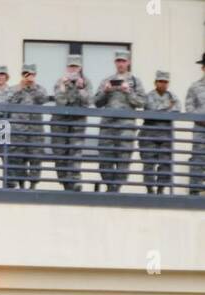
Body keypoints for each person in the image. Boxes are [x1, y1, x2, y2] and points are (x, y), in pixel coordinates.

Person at [94, 50, 145, 192]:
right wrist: (106, 91)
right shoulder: (106, 80)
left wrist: (128, 91)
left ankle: (117, 187)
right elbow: (96, 102)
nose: (121, 64)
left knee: (124, 158)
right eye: (118, 61)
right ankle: (110, 186)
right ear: (115, 62)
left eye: (123, 61)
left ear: (128, 62)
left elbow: (141, 102)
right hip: (107, 126)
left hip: (126, 127)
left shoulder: (135, 81)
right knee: (105, 158)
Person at [7, 63, 50, 190]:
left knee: (36, 158)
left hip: (35, 131)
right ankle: (21, 185)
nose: (28, 76)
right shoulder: (15, 88)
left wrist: (33, 86)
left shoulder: (40, 89)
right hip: (18, 130)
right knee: (18, 158)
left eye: (31, 74)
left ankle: (33, 185)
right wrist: (21, 87)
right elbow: (9, 102)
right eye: (25, 74)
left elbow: (43, 99)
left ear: (35, 75)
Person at [52, 54, 91, 192]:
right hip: (60, 123)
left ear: (80, 67)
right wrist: (63, 86)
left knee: (75, 152)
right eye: (71, 66)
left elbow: (88, 102)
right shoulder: (60, 81)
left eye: (75, 66)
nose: (73, 69)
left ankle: (74, 182)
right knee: (60, 153)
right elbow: (60, 101)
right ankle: (65, 183)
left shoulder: (85, 82)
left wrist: (80, 89)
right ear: (67, 67)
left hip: (77, 123)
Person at [140, 71, 179, 194]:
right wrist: (167, 106)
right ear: (155, 82)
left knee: (165, 163)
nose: (163, 84)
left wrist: (163, 108)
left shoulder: (172, 96)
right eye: (160, 81)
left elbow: (177, 109)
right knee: (148, 164)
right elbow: (151, 109)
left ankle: (161, 189)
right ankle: (150, 189)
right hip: (149, 134)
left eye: (165, 81)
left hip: (166, 134)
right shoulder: (149, 96)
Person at [187, 54, 205, 195]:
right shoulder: (195, 87)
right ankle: (194, 190)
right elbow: (189, 107)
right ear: (203, 68)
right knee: (198, 157)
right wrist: (199, 118)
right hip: (200, 128)